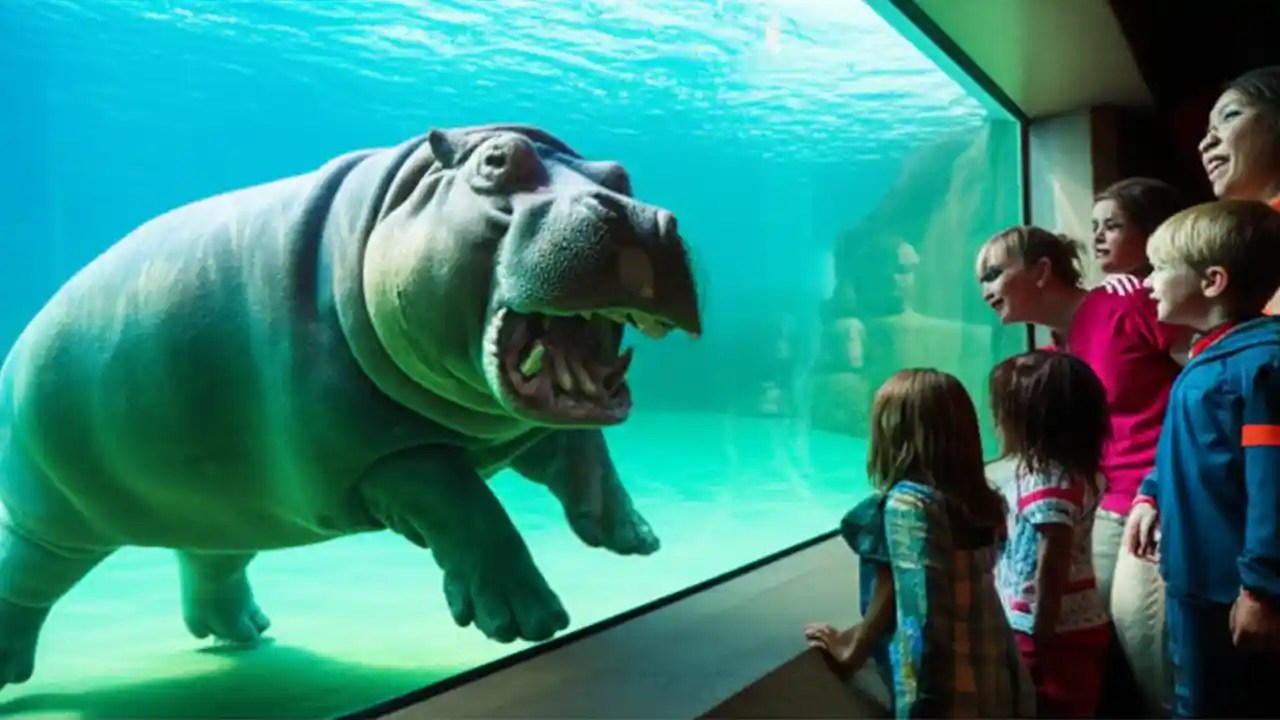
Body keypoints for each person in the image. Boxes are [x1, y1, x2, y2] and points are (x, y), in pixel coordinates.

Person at [976, 226, 1188, 716]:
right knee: (1117, 656)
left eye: (993, 273)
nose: (985, 289)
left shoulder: (1122, 304)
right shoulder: (1056, 350)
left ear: (1042, 270)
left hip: (1149, 504)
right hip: (1103, 509)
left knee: (1147, 652)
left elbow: (1197, 369)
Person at [803, 368, 1034, 718]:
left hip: (950, 692)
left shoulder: (908, 506)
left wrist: (852, 654)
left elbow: (913, 604)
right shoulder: (981, 499)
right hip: (996, 669)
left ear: (893, 434)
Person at [1124, 199, 1280, 717]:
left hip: (1233, 593)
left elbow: (1271, 481)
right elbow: (1195, 450)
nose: (1147, 282)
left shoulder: (1258, 365)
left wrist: (1261, 588)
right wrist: (1152, 492)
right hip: (1197, 582)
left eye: (1159, 269)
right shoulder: (1210, 355)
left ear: (1212, 280)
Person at [987, 350, 1112, 717]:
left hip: (1047, 628)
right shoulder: (1075, 470)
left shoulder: (1049, 478)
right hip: (1075, 620)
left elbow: (1052, 556)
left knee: (1050, 707)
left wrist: (1043, 625)